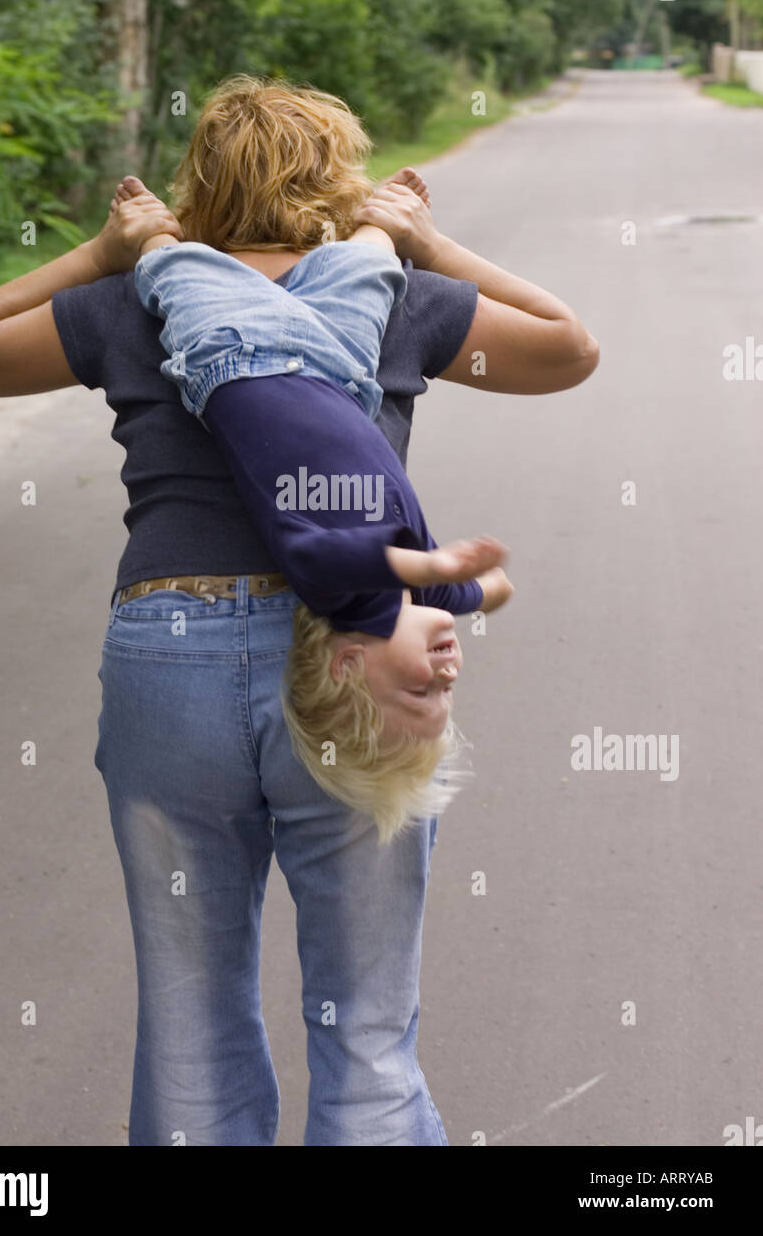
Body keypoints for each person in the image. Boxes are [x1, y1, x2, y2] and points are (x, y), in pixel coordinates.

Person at [0, 74, 599, 1145]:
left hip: (167, 649)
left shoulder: (134, 298)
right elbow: (567, 345)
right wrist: (428, 245)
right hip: (351, 648)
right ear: (342, 185)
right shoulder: (395, 295)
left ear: (200, 186)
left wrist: (103, 255)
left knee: (190, 1021)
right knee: (368, 1027)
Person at [126, 167, 513, 842]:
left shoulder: (342, 592)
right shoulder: (405, 607)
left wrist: (424, 567)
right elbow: (452, 602)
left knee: (171, 260)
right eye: (446, 693)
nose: (448, 672)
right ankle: (376, 217)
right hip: (338, 368)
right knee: (374, 251)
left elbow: (325, 550)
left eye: (421, 690)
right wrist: (483, 591)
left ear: (348, 665)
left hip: (234, 351)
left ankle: (144, 232)